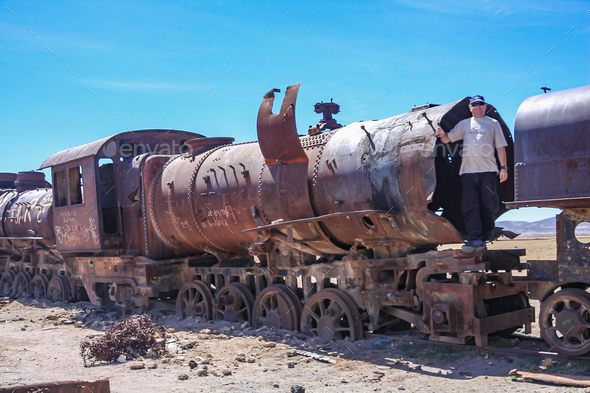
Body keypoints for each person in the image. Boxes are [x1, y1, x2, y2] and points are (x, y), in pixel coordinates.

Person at [435, 95, 508, 252]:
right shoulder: (464, 124)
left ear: (485, 106)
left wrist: (504, 168)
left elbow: (501, 147)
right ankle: (474, 239)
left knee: (488, 205)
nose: (478, 106)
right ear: (470, 107)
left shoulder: (493, 124)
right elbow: (448, 140)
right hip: (468, 173)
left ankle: (484, 237)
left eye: (480, 104)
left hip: (488, 171)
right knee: (470, 206)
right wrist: (442, 134)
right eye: (474, 104)